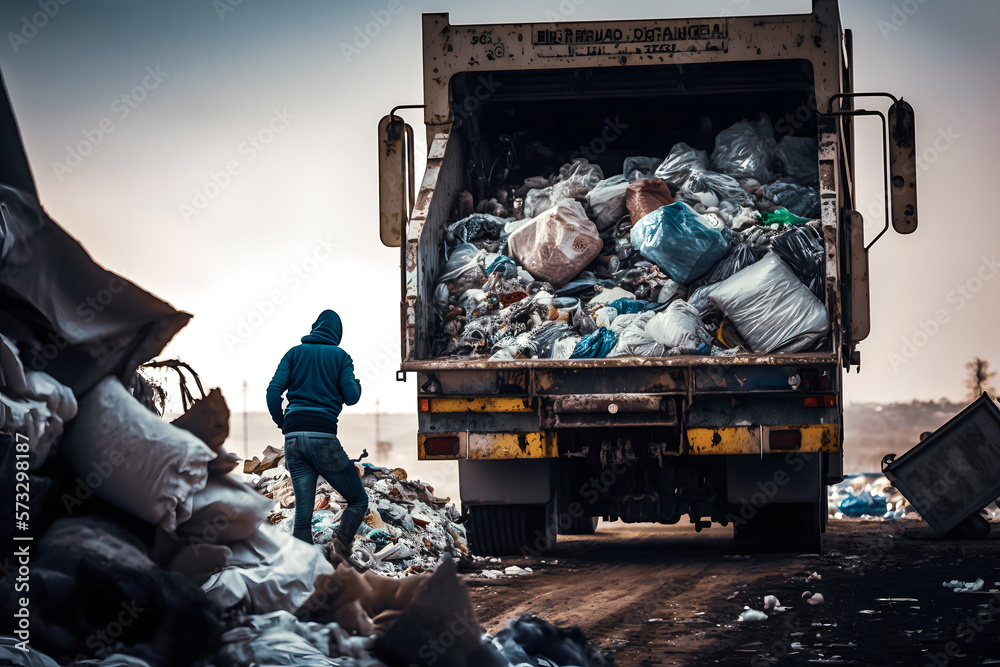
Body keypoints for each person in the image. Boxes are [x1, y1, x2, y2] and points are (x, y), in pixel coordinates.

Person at [266, 309, 369, 571]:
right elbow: (352, 396)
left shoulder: (294, 353)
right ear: (337, 333)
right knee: (358, 500)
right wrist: (356, 383)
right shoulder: (341, 357)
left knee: (303, 515)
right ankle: (340, 547)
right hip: (323, 437)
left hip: (293, 440)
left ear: (315, 328)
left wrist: (283, 423)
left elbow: (273, 391)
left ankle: (302, 573)